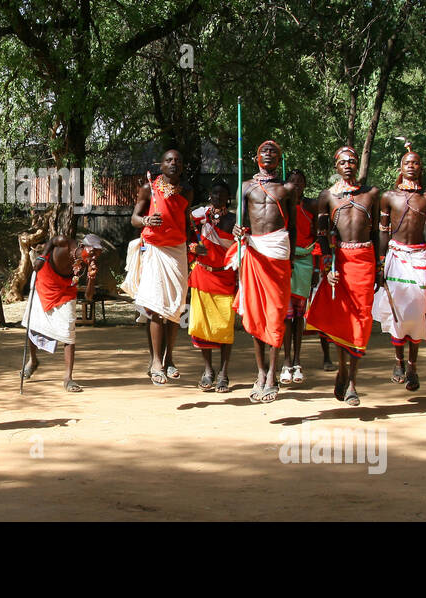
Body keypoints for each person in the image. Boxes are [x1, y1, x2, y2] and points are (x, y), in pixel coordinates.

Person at [305, 146, 381, 406]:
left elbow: (378, 235)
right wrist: (327, 267)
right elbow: (322, 235)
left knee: (362, 319)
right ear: (336, 167)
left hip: (366, 261)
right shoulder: (327, 196)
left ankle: (352, 382)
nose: (348, 165)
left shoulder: (371, 194)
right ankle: (341, 367)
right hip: (341, 265)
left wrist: (379, 268)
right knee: (342, 320)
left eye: (352, 161)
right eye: (343, 162)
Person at [229, 140, 298, 402]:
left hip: (279, 251)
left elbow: (291, 228)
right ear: (256, 157)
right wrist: (236, 231)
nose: (268, 154)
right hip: (255, 251)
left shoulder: (287, 188)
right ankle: (260, 373)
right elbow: (240, 220)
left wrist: (290, 259)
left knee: (276, 313)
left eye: (274, 152)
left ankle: (273, 376)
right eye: (263, 151)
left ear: (279, 159)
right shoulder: (245, 186)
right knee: (256, 311)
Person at [121, 149, 196, 385]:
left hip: (177, 252)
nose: (174, 163)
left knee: (174, 309)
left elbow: (185, 222)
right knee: (155, 307)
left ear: (182, 166)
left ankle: (169, 359)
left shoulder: (187, 191)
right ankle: (156, 362)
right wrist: (146, 220)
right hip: (154, 249)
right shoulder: (148, 188)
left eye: (178, 160)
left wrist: (194, 246)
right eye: (169, 160)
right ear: (160, 165)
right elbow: (134, 218)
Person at [373, 142, 426, 392]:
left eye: (416, 163)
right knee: (398, 310)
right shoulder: (389, 197)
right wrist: (380, 262)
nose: (411, 166)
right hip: (396, 257)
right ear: (400, 168)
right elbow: (382, 232)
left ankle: (413, 366)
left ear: (421, 168)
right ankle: (398, 362)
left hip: (420, 258)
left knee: (416, 312)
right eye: (407, 163)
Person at [21, 232, 105, 392]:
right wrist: (41, 257)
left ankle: (68, 378)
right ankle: (32, 360)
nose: (93, 257)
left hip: (66, 289)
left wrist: (92, 278)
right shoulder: (65, 243)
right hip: (44, 279)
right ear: (82, 246)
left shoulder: (88, 265)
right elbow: (52, 241)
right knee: (34, 324)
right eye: (92, 252)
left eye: (97, 255)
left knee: (68, 331)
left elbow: (88, 296)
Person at [187, 181, 238, 393]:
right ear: (210, 195)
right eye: (214, 192)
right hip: (201, 275)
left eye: (222, 193)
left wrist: (240, 234)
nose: (217, 196)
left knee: (224, 328)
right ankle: (208, 371)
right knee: (202, 327)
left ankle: (224, 373)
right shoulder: (200, 214)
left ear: (228, 197)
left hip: (225, 277)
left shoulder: (235, 220)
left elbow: (241, 248)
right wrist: (192, 246)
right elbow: (184, 224)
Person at [278, 169, 315, 386]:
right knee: (286, 315)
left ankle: (298, 361)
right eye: (292, 181)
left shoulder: (310, 206)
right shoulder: (281, 205)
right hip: (285, 259)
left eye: (300, 182)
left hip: (305, 259)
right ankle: (286, 361)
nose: (296, 185)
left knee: (299, 314)